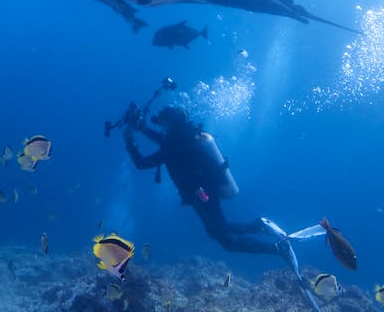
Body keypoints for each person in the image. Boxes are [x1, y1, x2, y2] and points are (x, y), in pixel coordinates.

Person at [123, 105, 297, 268]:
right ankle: (259, 227)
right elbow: (164, 142)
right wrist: (143, 129)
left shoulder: (173, 145)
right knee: (216, 232)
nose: (160, 125)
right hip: (204, 190)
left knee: (228, 241)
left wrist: (129, 141)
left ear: (170, 123)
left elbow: (142, 163)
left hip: (202, 194)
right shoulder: (181, 137)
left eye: (162, 122)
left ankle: (279, 248)